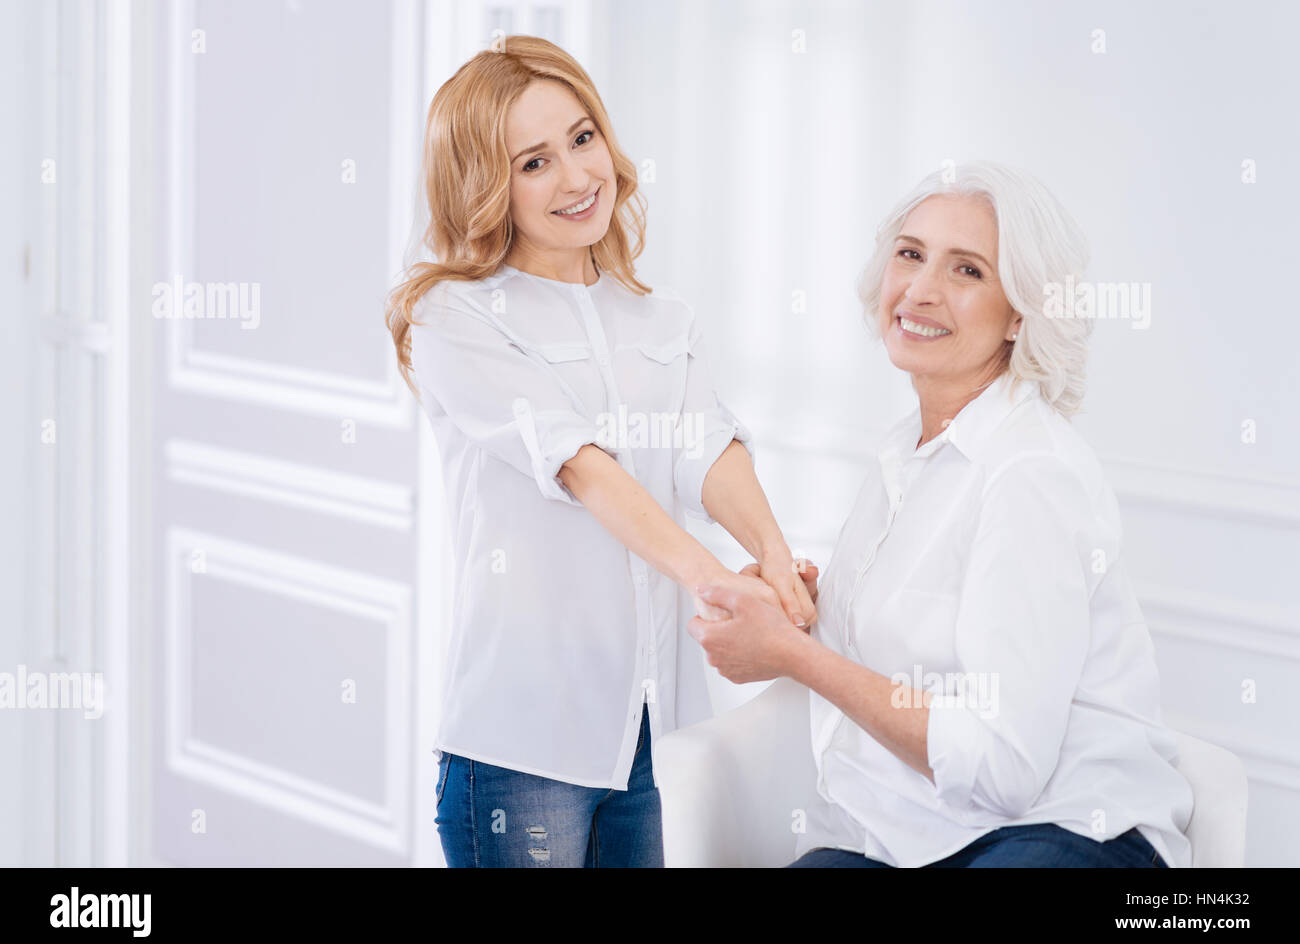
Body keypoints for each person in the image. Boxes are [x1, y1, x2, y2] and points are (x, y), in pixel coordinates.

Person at [384, 35, 814, 868]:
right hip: (524, 747)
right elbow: (582, 467)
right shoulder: (454, 319)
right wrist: (718, 581)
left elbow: (707, 446)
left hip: (653, 733)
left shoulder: (659, 319)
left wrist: (774, 557)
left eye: (582, 139)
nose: (579, 178)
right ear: (485, 186)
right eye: (533, 162)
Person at [689, 161, 1194, 868]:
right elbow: (903, 636)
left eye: (967, 271)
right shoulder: (906, 452)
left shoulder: (1028, 473)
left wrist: (792, 654)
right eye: (911, 254)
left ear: (1021, 312)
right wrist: (799, 605)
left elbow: (1003, 770)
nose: (921, 290)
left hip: (1064, 833)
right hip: (911, 836)